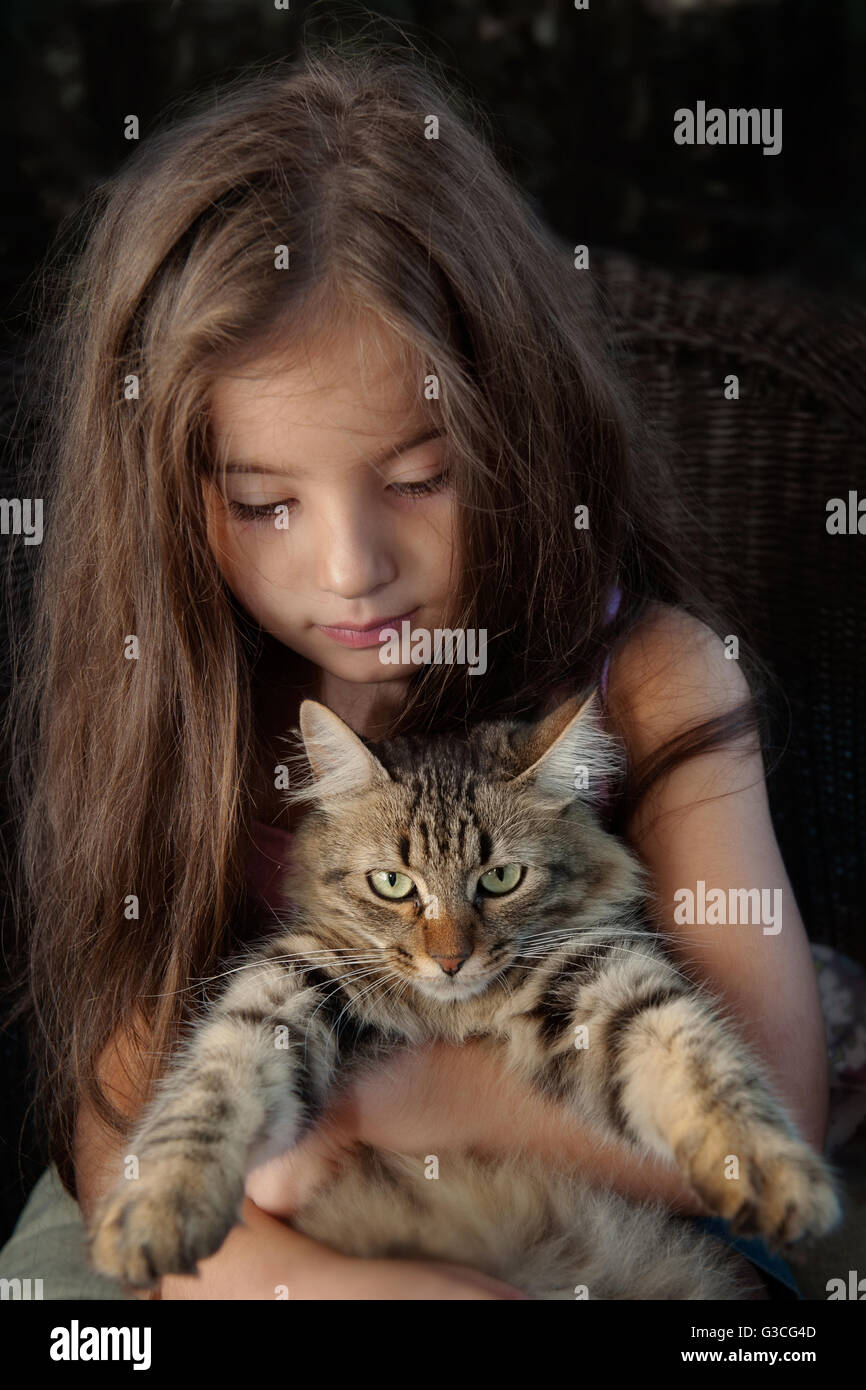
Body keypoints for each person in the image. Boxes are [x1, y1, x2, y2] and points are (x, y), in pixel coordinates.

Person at [1, 42, 828, 1300]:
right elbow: (123, 1131)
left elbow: (771, 1110)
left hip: (565, 1195)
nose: (350, 570)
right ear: (169, 501)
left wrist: (359, 1104)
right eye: (264, 501)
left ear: (525, 432)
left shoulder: (653, 677)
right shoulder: (178, 703)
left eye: (417, 480)